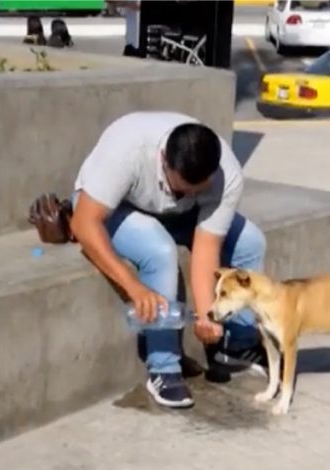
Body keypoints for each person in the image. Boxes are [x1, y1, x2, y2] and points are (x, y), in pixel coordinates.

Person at [69, 112, 267, 408]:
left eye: (197, 190)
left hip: (178, 216)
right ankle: (163, 367)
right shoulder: (128, 150)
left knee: (250, 242)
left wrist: (206, 315)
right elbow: (84, 222)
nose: (187, 193)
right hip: (114, 207)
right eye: (181, 187)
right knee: (159, 250)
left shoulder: (226, 174)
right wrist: (133, 287)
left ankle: (235, 343)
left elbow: (206, 247)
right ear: (163, 159)